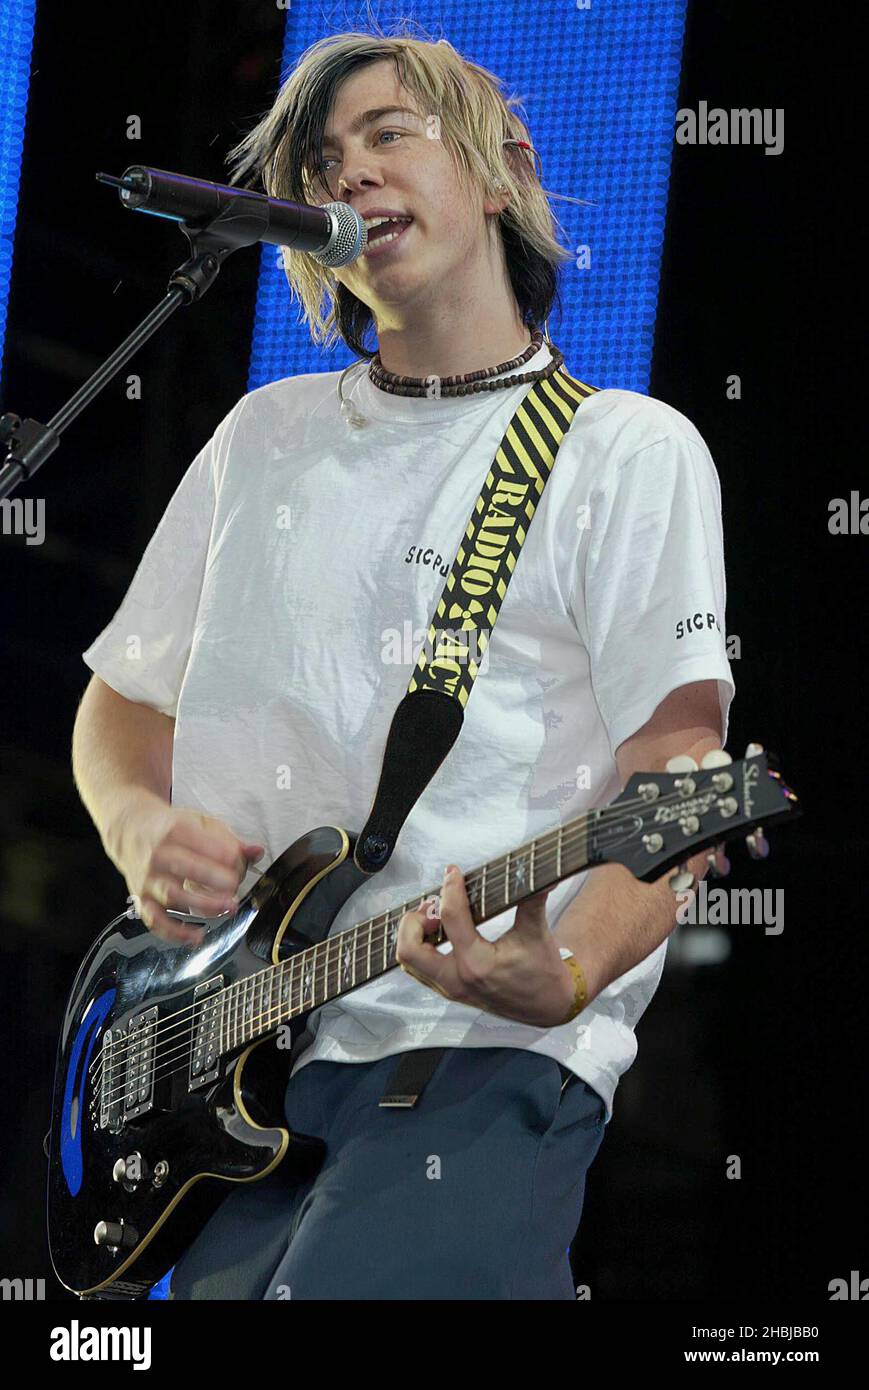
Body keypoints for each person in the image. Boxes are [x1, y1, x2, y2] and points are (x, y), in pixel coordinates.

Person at [72, 31, 734, 1300]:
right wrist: (137, 823)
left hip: (470, 1041)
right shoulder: (261, 436)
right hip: (221, 1064)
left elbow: (673, 766)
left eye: (389, 135)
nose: (353, 177)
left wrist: (566, 973)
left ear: (496, 175)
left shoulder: (621, 451)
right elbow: (122, 698)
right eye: (324, 162)